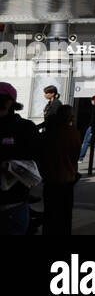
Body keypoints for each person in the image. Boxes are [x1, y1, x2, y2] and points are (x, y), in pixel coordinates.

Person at [0, 82, 40, 234]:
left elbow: (37, 162)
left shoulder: (24, 128)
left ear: (10, 102)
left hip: (12, 205)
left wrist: (6, 166)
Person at [40, 104, 82, 236]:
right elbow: (76, 154)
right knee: (65, 214)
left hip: (50, 178)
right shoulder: (73, 132)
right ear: (69, 117)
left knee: (50, 212)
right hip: (67, 177)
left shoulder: (49, 133)